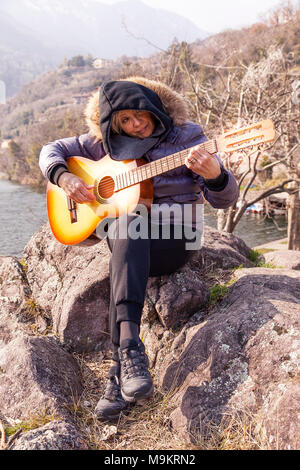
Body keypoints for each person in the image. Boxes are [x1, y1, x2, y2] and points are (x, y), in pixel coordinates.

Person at [39, 76, 239, 421]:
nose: (135, 125)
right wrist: (64, 177)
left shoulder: (188, 137)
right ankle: (129, 357)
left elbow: (226, 200)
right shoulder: (103, 143)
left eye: (140, 116)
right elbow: (50, 151)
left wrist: (216, 174)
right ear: (112, 124)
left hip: (176, 238)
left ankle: (118, 371)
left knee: (126, 224)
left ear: (153, 109)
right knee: (126, 221)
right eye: (125, 121)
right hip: (130, 240)